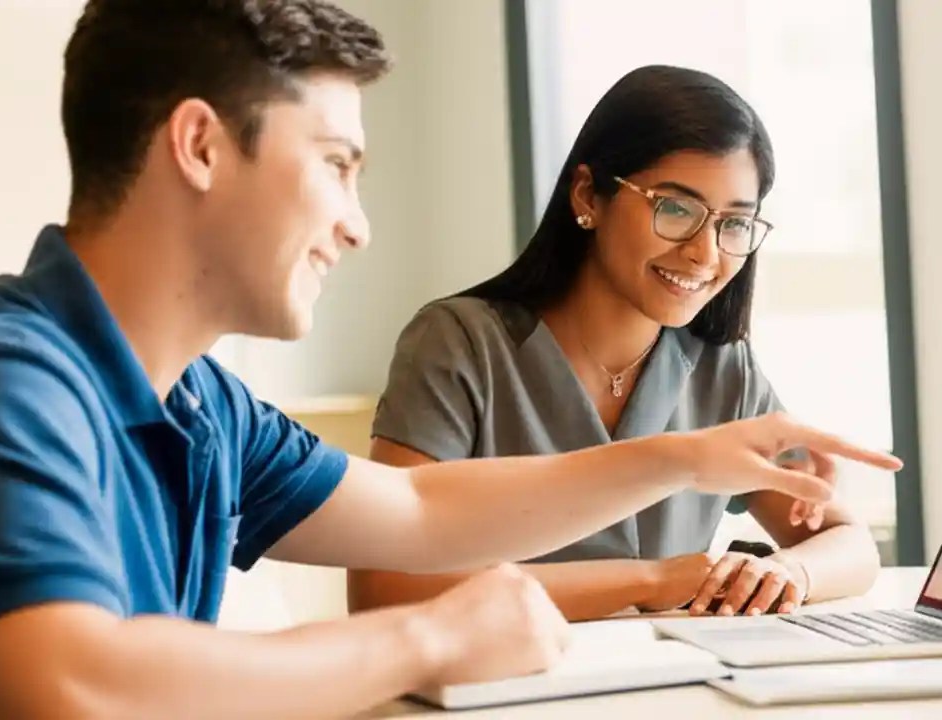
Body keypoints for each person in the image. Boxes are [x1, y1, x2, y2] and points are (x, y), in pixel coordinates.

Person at [0, 2, 901, 718]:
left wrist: (681, 459)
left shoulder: (202, 403)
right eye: (337, 166)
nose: (356, 224)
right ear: (201, 145)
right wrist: (433, 639)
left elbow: (420, 511)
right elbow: (74, 693)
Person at [352, 65, 884, 623]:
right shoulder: (459, 345)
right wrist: (650, 581)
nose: (705, 254)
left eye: (734, 223)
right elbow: (385, 588)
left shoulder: (723, 370)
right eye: (674, 209)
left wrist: (787, 572)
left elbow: (850, 544)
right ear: (588, 194)